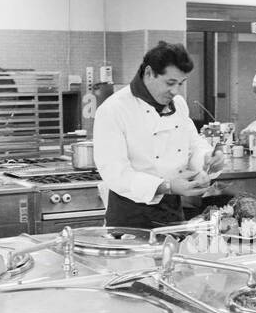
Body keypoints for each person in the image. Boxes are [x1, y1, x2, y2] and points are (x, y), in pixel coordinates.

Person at [93, 41, 225, 229]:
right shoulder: (114, 109)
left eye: (181, 83)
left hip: (172, 213)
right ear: (148, 73)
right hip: (130, 217)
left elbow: (193, 145)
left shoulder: (178, 104)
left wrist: (207, 158)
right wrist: (167, 186)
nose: (175, 91)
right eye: (170, 83)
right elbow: (115, 173)